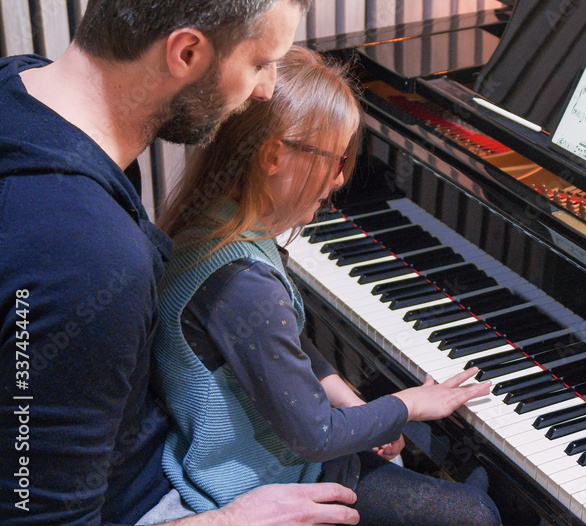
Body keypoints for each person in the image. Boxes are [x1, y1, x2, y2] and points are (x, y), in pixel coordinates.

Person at [0, 1, 367, 524]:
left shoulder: (20, 83)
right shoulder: (89, 258)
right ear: (187, 53)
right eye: (260, 63)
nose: (267, 90)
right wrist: (234, 519)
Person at [150, 46, 501, 526]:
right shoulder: (245, 283)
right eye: (336, 161)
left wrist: (354, 401)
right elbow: (316, 436)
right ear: (274, 157)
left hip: (248, 449)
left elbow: (286, 347)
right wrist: (408, 405)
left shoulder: (215, 223)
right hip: (258, 478)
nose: (338, 181)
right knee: (476, 512)